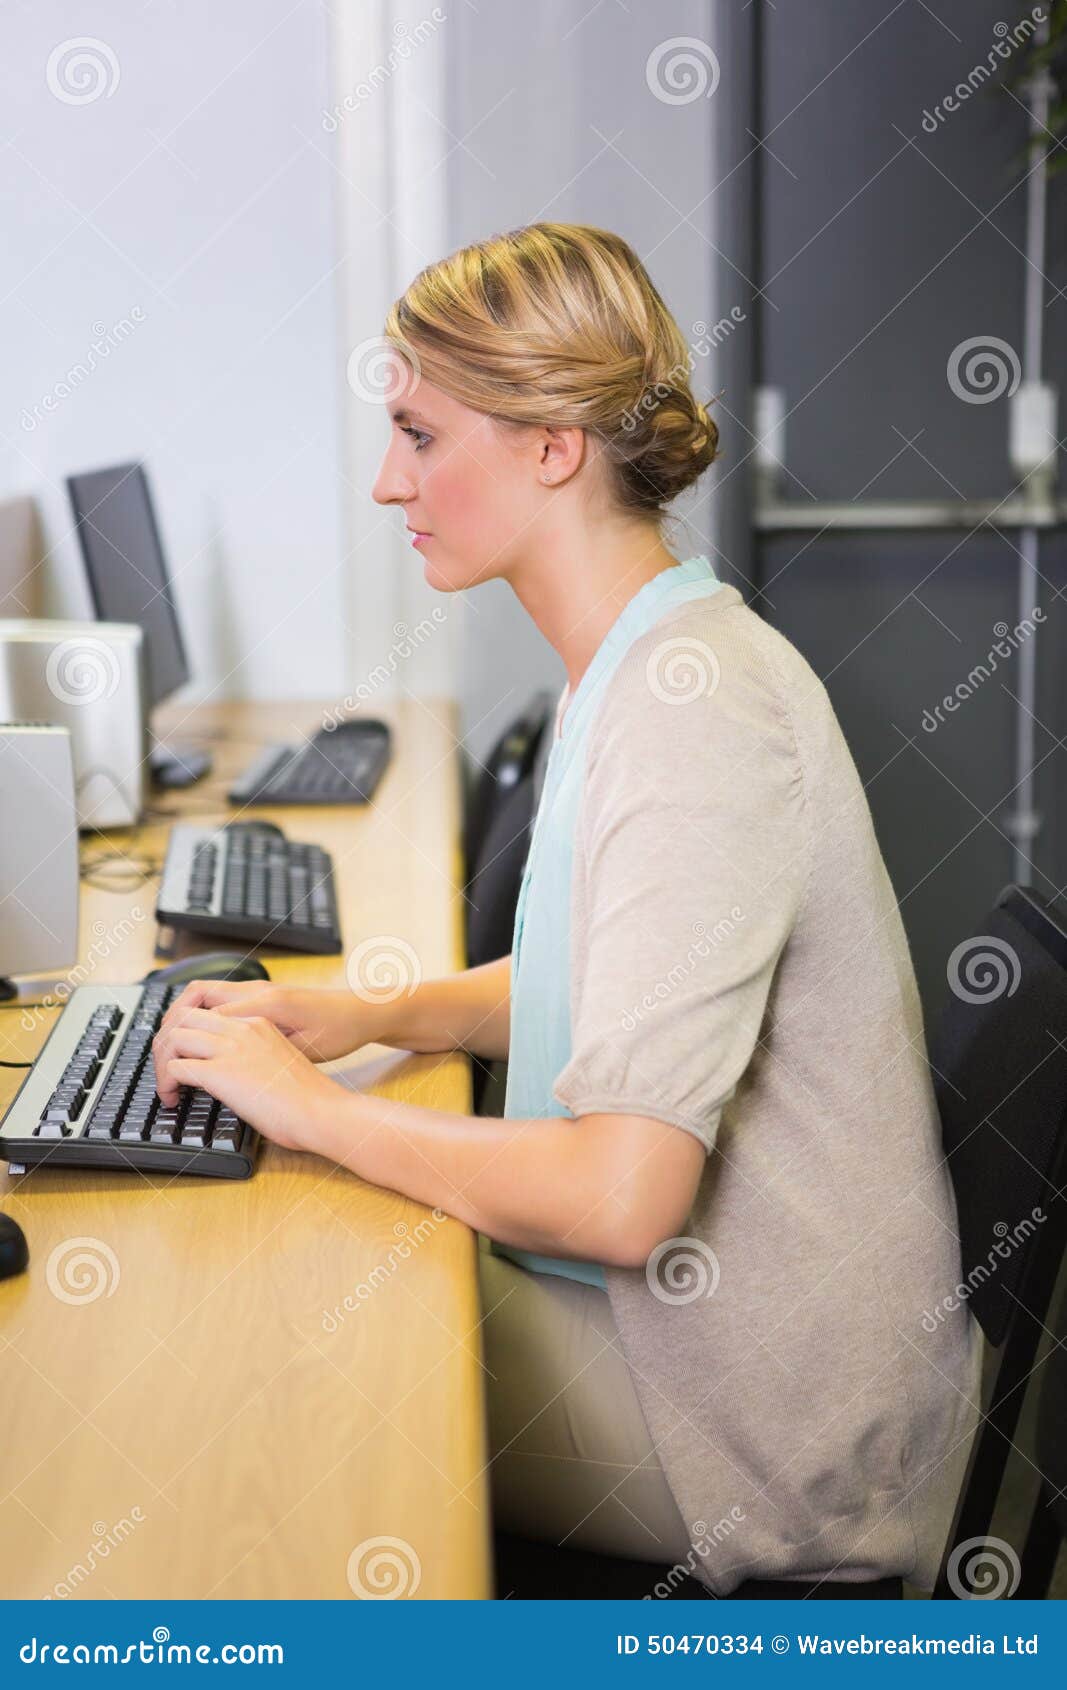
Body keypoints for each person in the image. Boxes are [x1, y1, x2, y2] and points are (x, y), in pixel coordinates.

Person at [152, 222, 982, 1595]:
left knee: (285, 1367)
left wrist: (311, 1108)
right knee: (316, 1262)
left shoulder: (693, 712)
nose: (384, 479)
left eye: (419, 434)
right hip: (709, 1353)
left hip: (768, 1438)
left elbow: (619, 1197)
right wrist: (362, 1011)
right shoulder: (653, 656)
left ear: (552, 445)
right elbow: (601, 973)